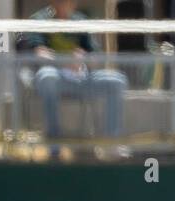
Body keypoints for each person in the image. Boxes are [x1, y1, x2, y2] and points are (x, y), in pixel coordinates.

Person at [18, 0, 127, 157]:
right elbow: (40, 53)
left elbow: (94, 56)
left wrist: (82, 57)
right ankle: (54, 144)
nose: (65, 4)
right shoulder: (40, 19)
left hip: (80, 79)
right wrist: (65, 61)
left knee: (117, 81)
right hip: (54, 79)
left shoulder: (80, 21)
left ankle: (111, 143)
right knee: (47, 76)